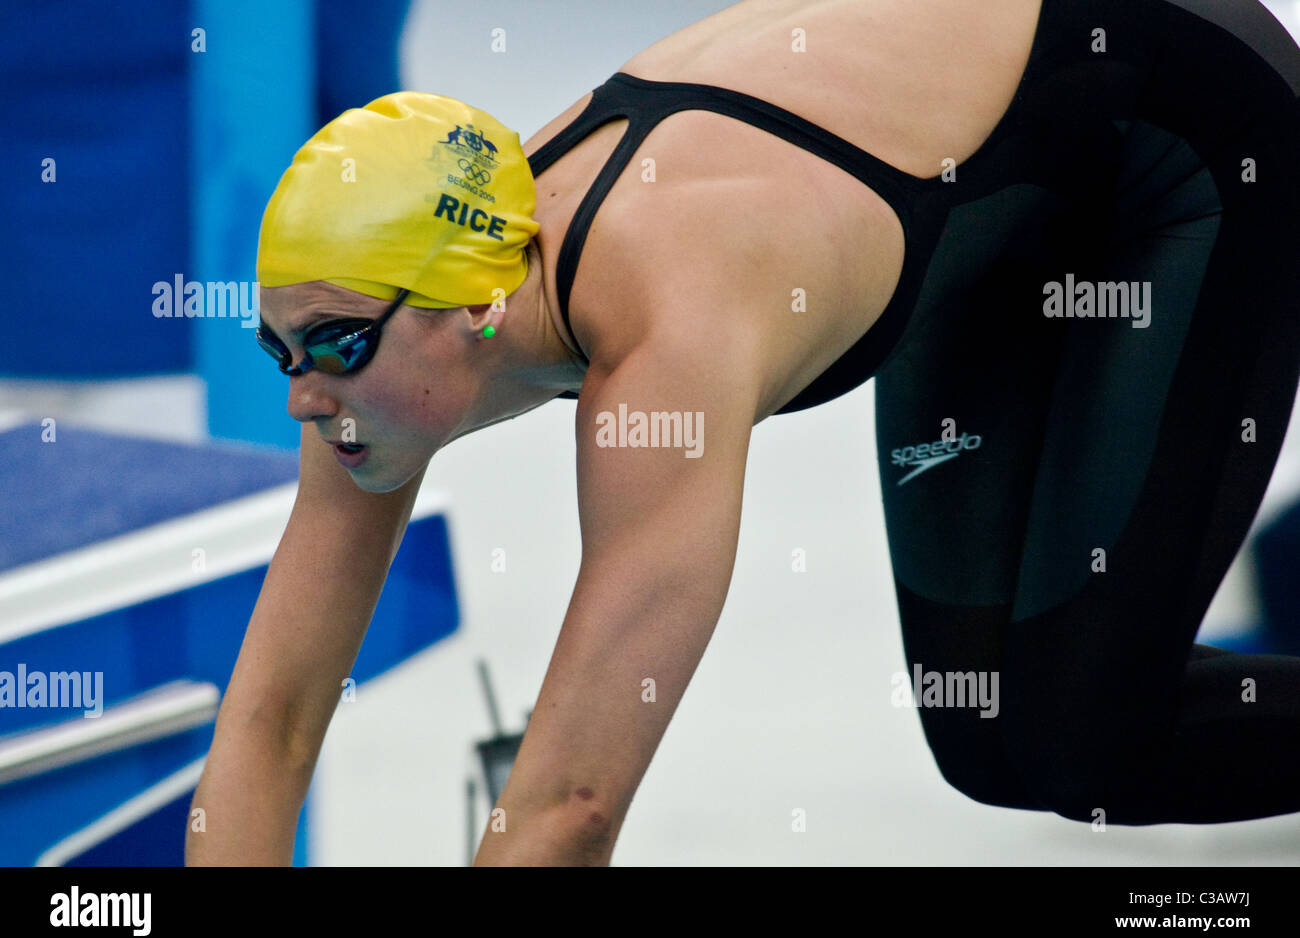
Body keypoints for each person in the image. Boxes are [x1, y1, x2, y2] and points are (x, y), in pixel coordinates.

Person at [186, 0, 1300, 866]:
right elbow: (271, 719)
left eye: (331, 347)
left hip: (1188, 125)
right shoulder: (368, 345)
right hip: (1001, 187)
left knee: (1088, 734)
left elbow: (568, 808)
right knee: (989, 739)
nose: (301, 394)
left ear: (471, 306)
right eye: (276, 351)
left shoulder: (664, 322)